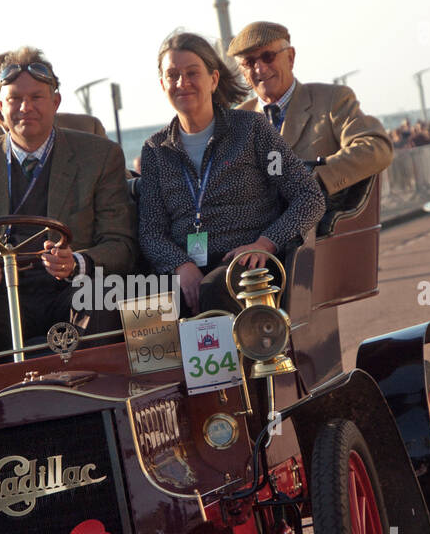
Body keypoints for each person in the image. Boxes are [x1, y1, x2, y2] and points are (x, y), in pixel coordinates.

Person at [0, 49, 135, 364]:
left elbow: (121, 244)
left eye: (37, 97)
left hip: (71, 290)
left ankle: (92, 400)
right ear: (0, 105)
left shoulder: (99, 155)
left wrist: (77, 262)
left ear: (55, 102)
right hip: (2, 298)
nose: (26, 108)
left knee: (102, 300)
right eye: (14, 99)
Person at [138, 31, 325, 315]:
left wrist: (264, 244)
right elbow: (151, 231)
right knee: (136, 302)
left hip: (249, 265)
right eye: (173, 75)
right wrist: (181, 265)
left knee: (212, 290)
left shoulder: (251, 130)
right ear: (162, 83)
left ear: (213, 80)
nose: (182, 83)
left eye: (192, 73)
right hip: (185, 268)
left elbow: (308, 197)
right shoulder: (155, 150)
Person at [226, 20, 392, 194]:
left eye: (268, 57)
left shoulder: (331, 100)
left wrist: (315, 178)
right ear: (243, 73)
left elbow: (376, 147)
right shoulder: (237, 122)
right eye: (250, 63)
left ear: (290, 57)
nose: (260, 69)